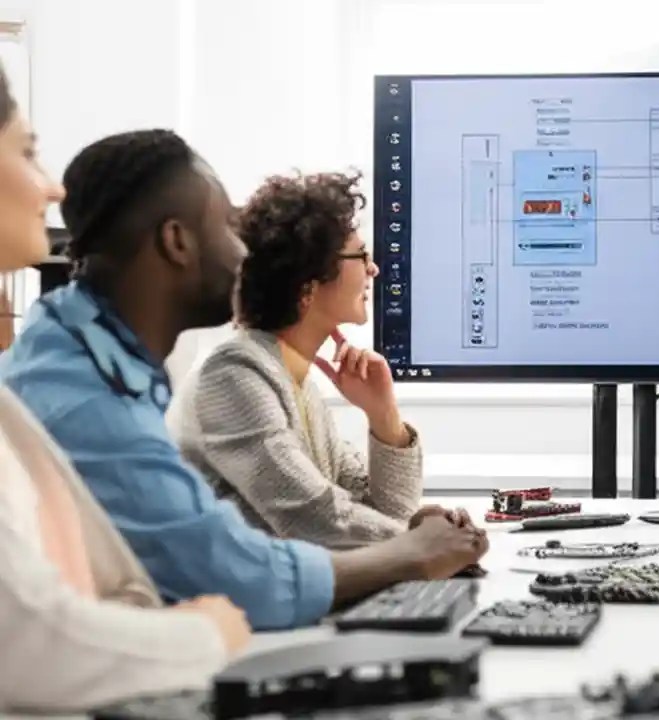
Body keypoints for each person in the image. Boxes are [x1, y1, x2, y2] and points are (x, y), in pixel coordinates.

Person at [0, 129, 488, 633]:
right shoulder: (106, 391)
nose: (243, 256)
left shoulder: (115, 366)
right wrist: (414, 549)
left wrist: (385, 420)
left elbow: (366, 515)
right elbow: (247, 556)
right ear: (177, 241)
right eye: (226, 229)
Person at [0, 68, 248, 712]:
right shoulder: (68, 388)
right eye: (26, 151)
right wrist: (203, 635)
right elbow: (30, 639)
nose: (51, 186)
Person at [169, 171, 439, 549]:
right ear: (309, 284)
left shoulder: (297, 384)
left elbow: (384, 514)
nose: (373, 269)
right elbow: (315, 518)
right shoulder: (232, 377)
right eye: (361, 255)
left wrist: (385, 418)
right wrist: (429, 542)